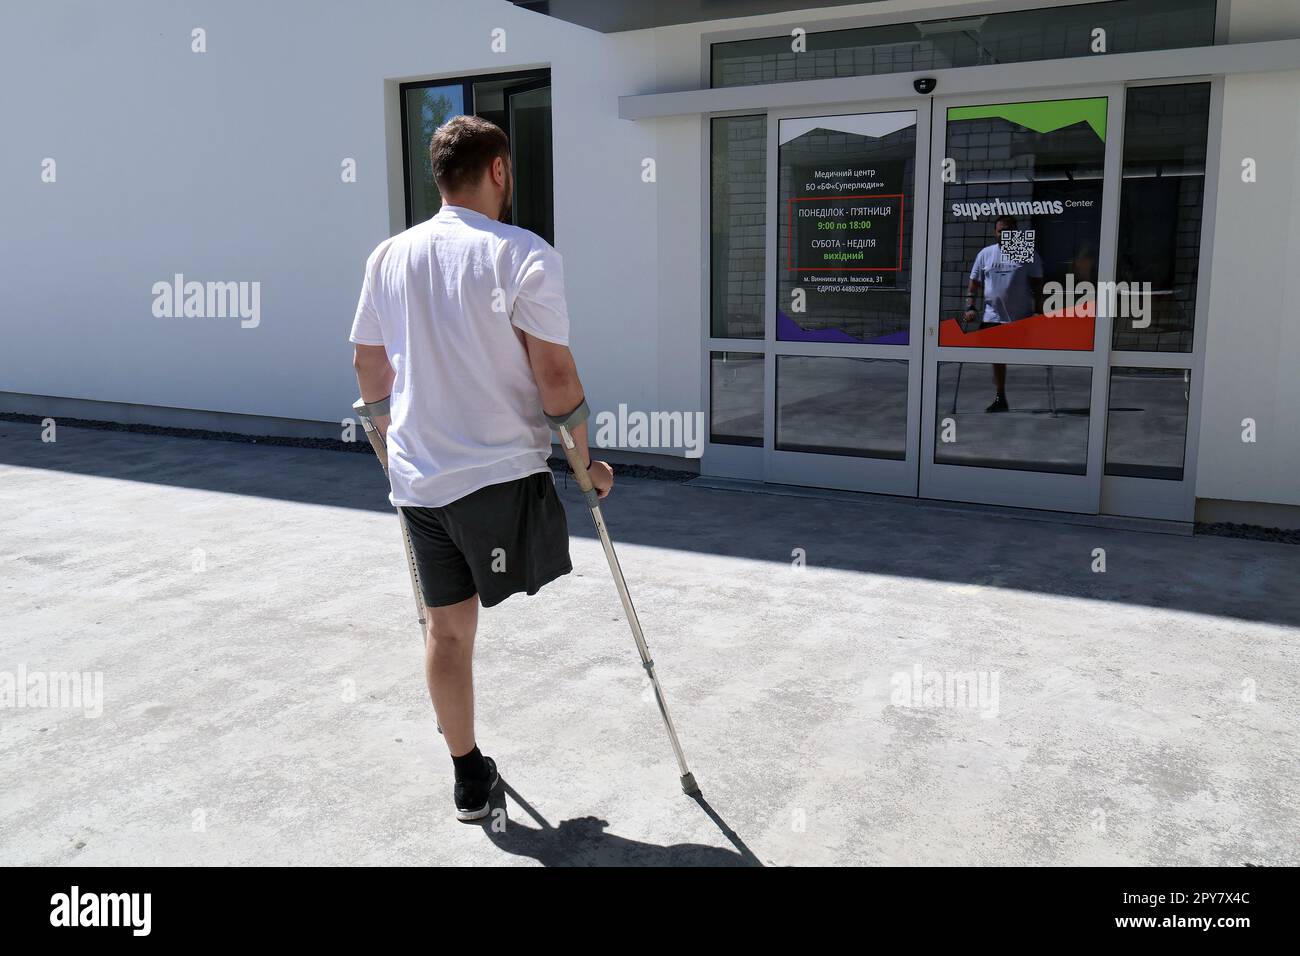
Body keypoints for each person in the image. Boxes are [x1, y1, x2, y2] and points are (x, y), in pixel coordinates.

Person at [350, 115, 614, 821]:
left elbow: (368, 364)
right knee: (483, 613)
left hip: (420, 480)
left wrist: (388, 443)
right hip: (499, 475)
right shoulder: (523, 252)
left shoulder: (388, 256)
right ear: (498, 170)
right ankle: (471, 769)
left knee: (448, 630)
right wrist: (585, 466)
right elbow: (554, 372)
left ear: (439, 176)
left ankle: (468, 776)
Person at [963, 215, 1045, 412]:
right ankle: (1001, 396)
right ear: (995, 233)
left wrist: (1038, 312)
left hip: (1021, 318)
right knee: (996, 356)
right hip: (993, 316)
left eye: (1009, 231)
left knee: (1015, 355)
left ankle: (1027, 394)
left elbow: (1038, 286)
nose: (1004, 234)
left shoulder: (1027, 253)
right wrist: (970, 307)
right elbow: (974, 284)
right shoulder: (986, 254)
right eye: (1001, 231)